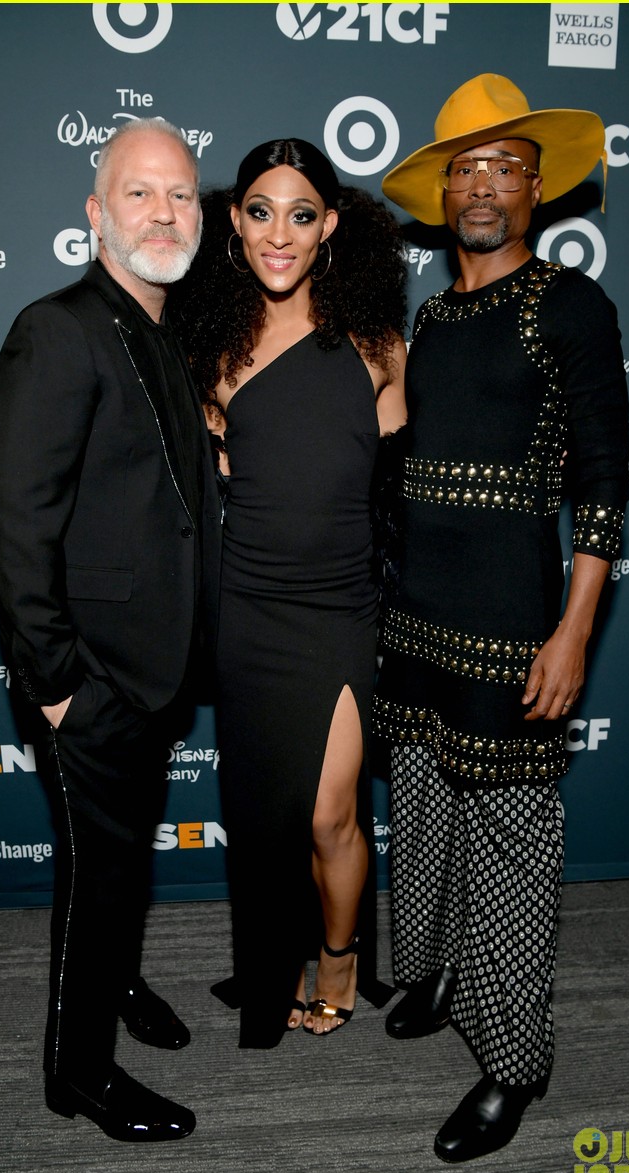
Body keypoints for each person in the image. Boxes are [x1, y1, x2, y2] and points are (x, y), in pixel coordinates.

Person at [374, 74, 629, 1161]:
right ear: (440, 191)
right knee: (425, 814)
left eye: (503, 166)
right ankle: (428, 969)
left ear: (536, 186)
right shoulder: (428, 315)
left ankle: (514, 1062)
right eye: (463, 167)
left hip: (511, 629)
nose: (481, 185)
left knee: (514, 844)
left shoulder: (567, 303)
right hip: (413, 618)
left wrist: (571, 631)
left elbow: (603, 481)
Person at [0, 118, 221, 1141]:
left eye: (181, 195)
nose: (164, 211)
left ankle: (119, 987)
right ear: (95, 214)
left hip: (153, 666)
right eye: (140, 192)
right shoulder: (60, 327)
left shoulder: (160, 329)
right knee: (98, 874)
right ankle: (76, 1074)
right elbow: (22, 523)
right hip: (89, 678)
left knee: (122, 864)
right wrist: (53, 682)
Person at [173, 138, 407, 1047]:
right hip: (249, 614)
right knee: (265, 818)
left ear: (330, 227)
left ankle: (341, 961)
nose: (280, 233)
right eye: (261, 211)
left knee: (329, 811)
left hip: (342, 610)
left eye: (301, 214)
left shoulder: (378, 347)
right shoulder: (211, 346)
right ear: (234, 223)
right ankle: (272, 962)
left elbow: (396, 496)